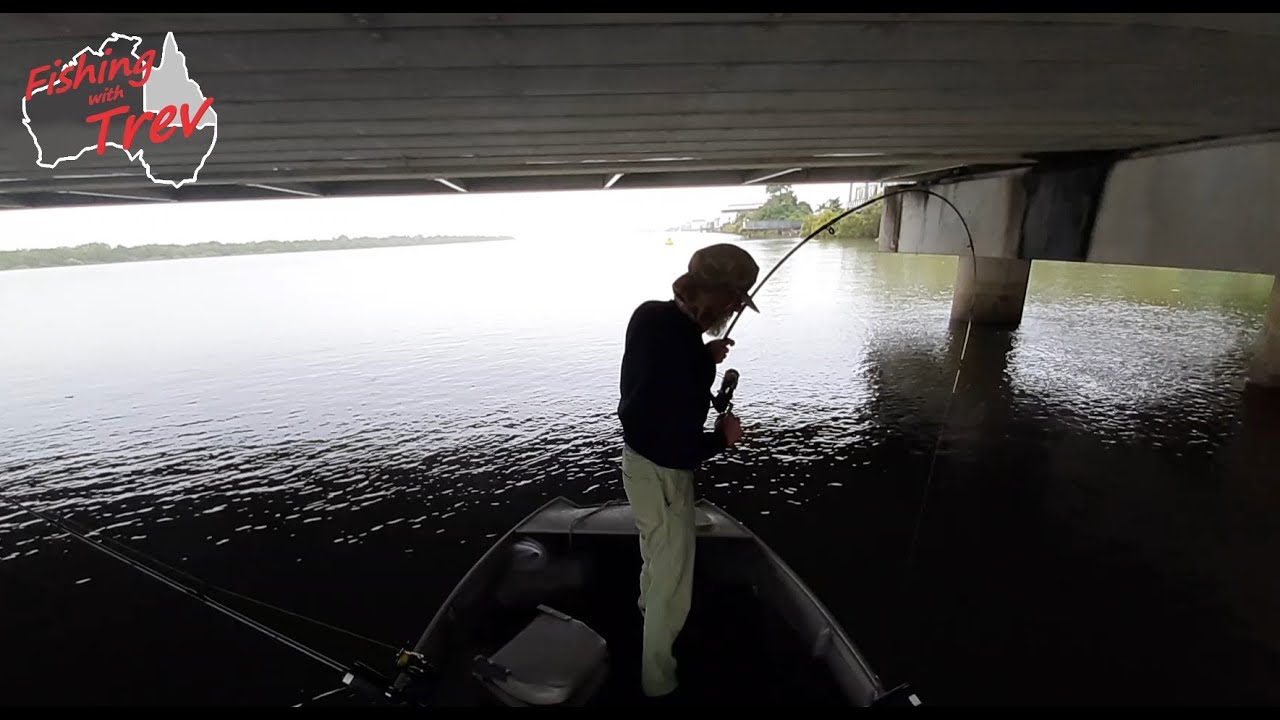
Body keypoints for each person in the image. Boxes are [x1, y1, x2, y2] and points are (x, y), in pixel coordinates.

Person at [616, 241, 760, 699]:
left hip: (635, 462)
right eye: (736, 302)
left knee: (654, 554)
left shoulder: (650, 316)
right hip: (663, 473)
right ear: (720, 301)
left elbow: (656, 378)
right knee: (674, 582)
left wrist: (704, 356)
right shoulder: (683, 351)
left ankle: (644, 612)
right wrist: (723, 438)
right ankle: (658, 681)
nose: (736, 308)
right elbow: (678, 446)